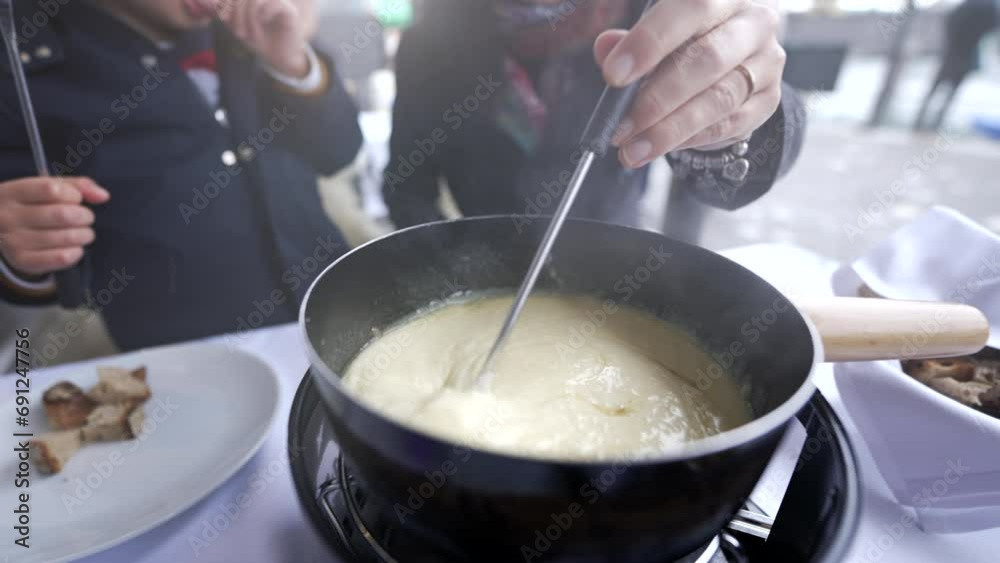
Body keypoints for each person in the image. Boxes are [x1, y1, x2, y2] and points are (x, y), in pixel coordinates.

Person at [0, 0, 362, 350]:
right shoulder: (24, 60)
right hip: (186, 361)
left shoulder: (257, 21)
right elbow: (43, 262)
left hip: (341, 311)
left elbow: (338, 151)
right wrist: (20, 253)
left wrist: (294, 65)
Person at [384, 0, 804, 233]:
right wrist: (454, 269)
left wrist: (726, 130)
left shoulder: (658, 10)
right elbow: (406, 186)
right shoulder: (429, 42)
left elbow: (732, 179)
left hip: (617, 276)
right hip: (482, 274)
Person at [914, 0, 998, 131]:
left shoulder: (972, 6)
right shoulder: (988, 8)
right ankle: (931, 124)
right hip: (963, 54)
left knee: (937, 88)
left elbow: (950, 19)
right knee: (948, 90)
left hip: (954, 52)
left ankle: (921, 123)